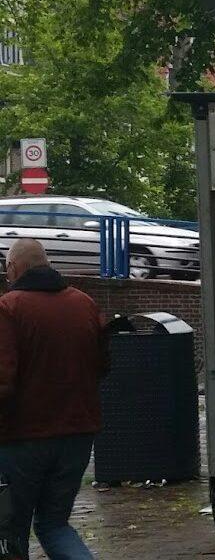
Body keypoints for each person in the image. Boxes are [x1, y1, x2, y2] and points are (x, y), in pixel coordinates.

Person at [0, 239, 109, 559]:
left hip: (21, 440)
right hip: (77, 434)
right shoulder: (84, 303)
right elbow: (103, 365)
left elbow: (2, 381)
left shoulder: (9, 308)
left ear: (14, 268)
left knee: (10, 532)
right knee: (54, 524)